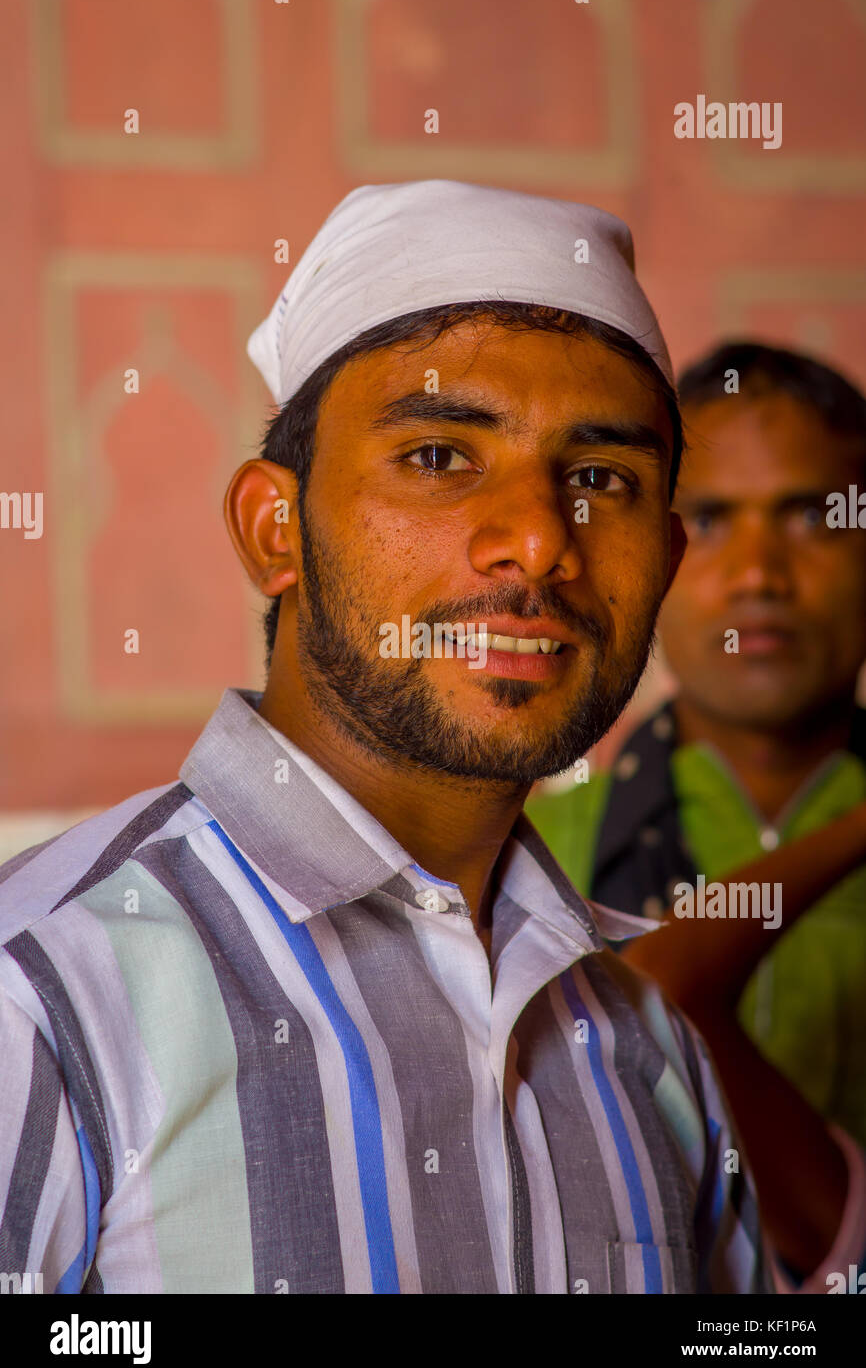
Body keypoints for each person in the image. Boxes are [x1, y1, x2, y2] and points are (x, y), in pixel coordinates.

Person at [0, 183, 827, 1295]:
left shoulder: (647, 1045)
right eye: (439, 457)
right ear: (273, 528)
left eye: (598, 480)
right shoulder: (44, 991)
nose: (537, 539)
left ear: (663, 564)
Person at [528, 340, 866, 1288]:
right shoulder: (531, 852)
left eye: (812, 517)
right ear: (656, 551)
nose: (760, 574)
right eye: (711, 520)